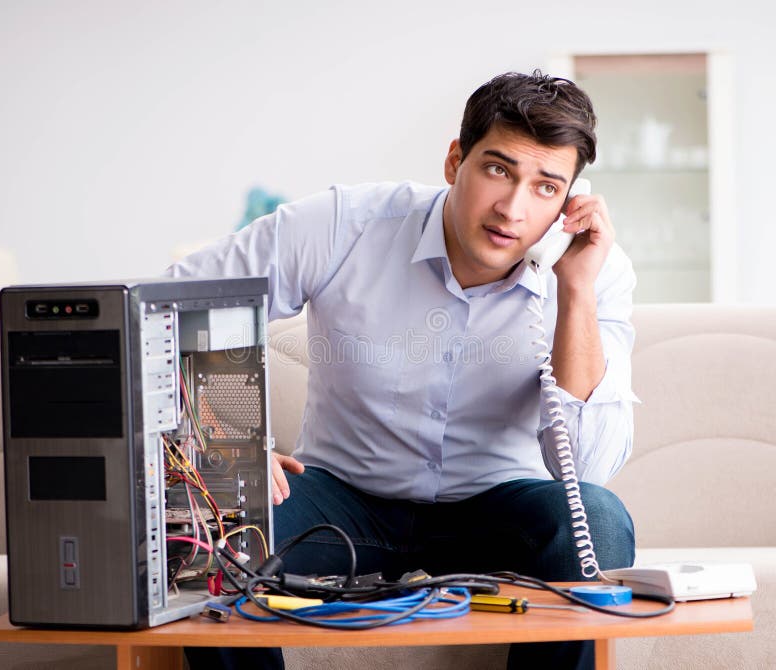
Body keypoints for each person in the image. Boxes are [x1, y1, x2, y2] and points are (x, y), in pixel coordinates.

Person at [169, 70, 638, 670]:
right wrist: (226, 443)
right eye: (497, 169)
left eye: (546, 187)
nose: (512, 209)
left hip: (497, 512)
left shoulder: (595, 272)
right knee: (210, 525)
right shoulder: (344, 224)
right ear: (454, 162)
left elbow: (588, 470)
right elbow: (178, 307)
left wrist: (575, 292)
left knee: (596, 519)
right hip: (341, 502)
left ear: (571, 201)